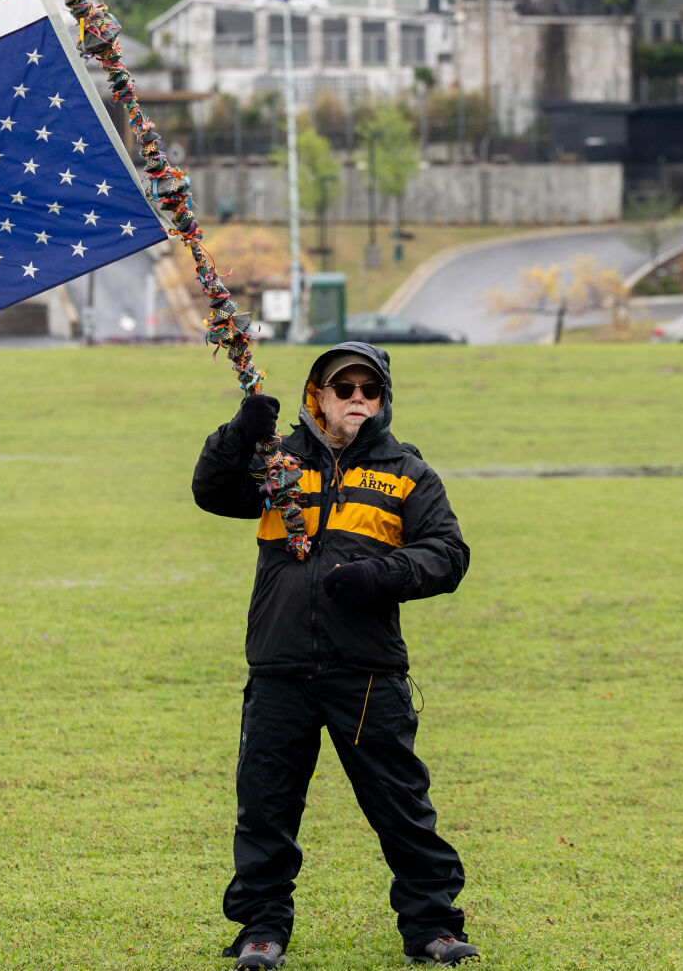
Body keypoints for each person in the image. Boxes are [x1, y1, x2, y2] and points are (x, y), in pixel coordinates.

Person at [192, 341, 478, 969]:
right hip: (280, 666)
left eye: (368, 391)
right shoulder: (276, 461)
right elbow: (212, 492)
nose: (356, 400)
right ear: (316, 396)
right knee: (265, 808)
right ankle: (261, 930)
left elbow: (448, 554)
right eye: (343, 389)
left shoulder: (407, 472)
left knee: (400, 805)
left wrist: (384, 574)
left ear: (383, 400)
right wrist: (239, 434)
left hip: (367, 671)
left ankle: (433, 926)